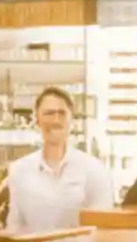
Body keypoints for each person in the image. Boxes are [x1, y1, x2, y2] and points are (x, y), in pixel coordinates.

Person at [6, 86, 114, 232]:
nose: (56, 120)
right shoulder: (19, 170)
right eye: (49, 113)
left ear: (72, 120)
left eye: (62, 113)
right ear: (37, 120)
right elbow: (14, 226)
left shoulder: (94, 170)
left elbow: (104, 228)